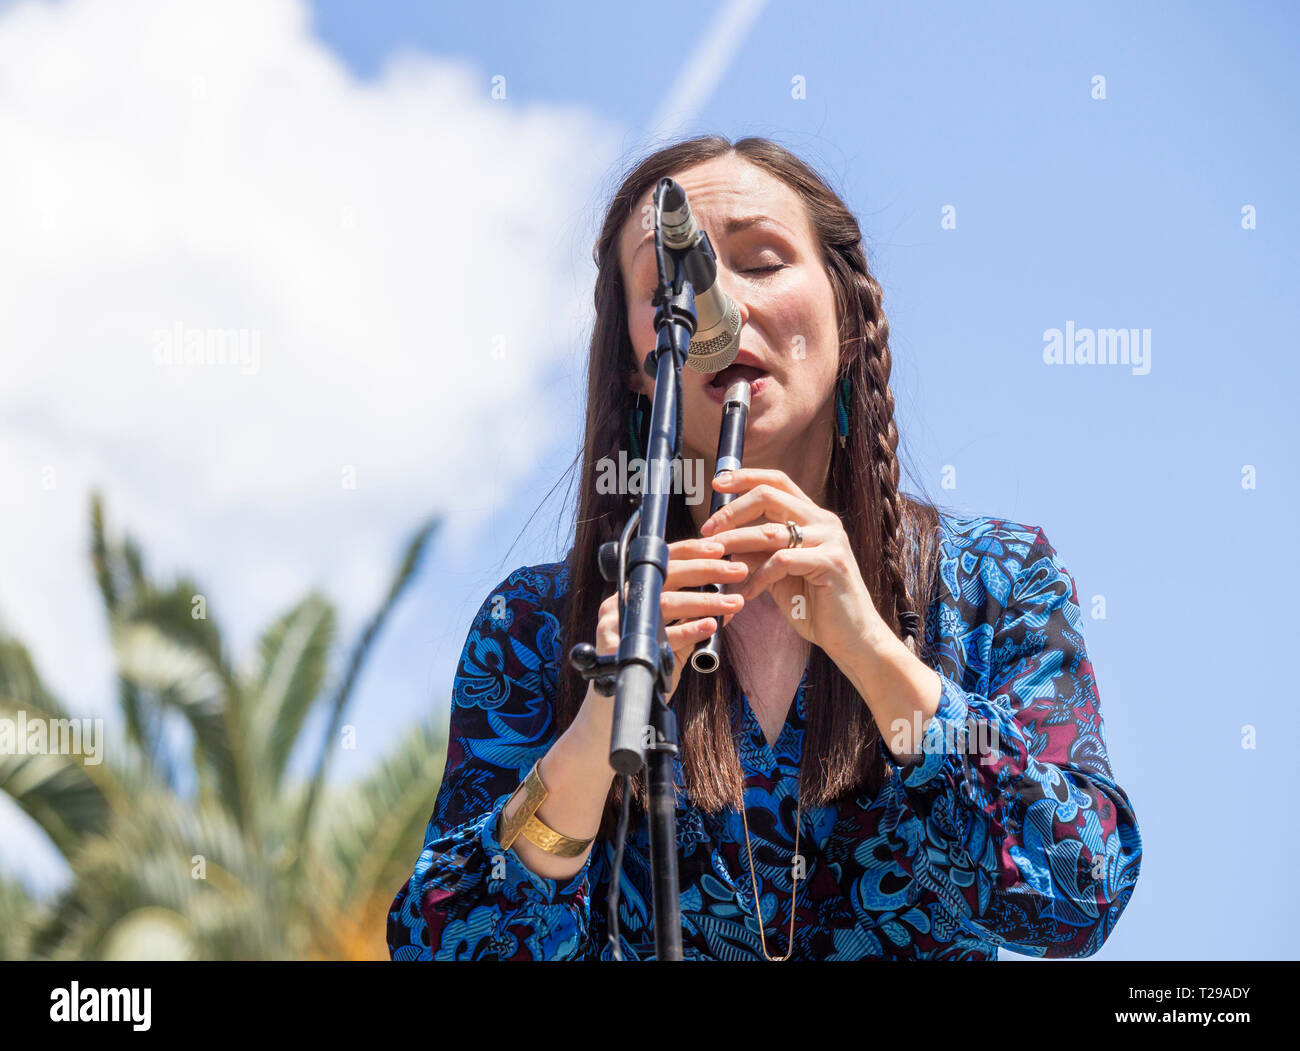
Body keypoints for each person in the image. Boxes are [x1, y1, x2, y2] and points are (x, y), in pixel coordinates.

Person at [386, 135, 1143, 961]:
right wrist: (598, 728)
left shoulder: (994, 580)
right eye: (671, 283)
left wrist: (873, 651)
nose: (722, 306)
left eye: (762, 261)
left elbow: (1080, 891)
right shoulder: (535, 626)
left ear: (848, 315)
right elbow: (442, 945)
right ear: (640, 364)